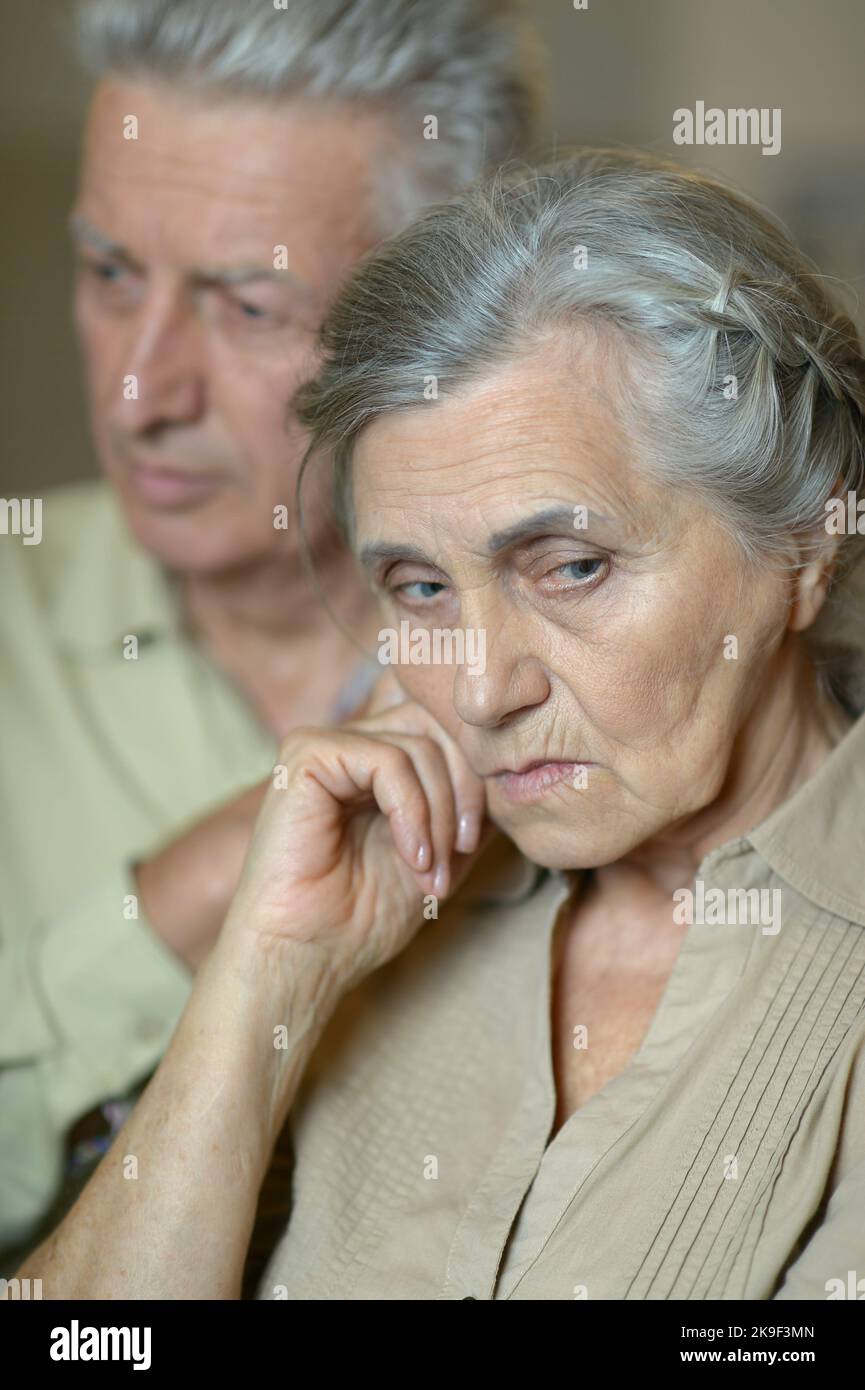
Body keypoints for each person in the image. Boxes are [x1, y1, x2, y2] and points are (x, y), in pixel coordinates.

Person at [13, 146, 865, 1302]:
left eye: (567, 566)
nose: (476, 690)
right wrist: (263, 976)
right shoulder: (381, 920)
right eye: (417, 588)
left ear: (805, 545)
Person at [0, 0, 544, 1269]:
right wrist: (187, 898)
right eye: (109, 273)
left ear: (452, 313)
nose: (140, 391)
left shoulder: (617, 678)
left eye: (246, 308)